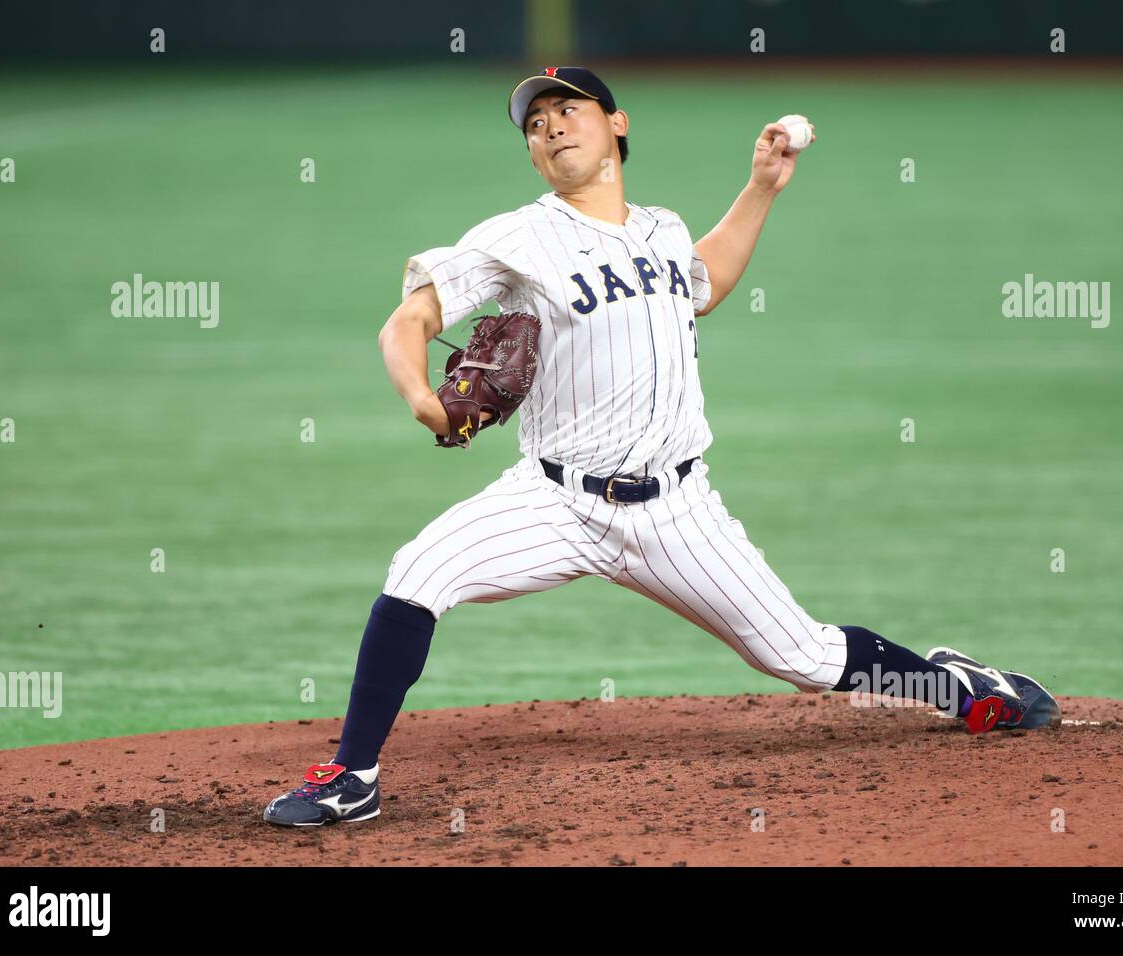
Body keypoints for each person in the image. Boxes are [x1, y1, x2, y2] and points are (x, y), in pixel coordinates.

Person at [263, 66, 1059, 827]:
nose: (549, 130)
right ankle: (352, 777)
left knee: (803, 656)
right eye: (535, 126)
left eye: (567, 111)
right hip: (554, 500)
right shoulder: (516, 239)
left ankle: (958, 686)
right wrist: (424, 401)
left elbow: (703, 279)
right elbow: (407, 322)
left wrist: (761, 188)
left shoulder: (662, 229)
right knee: (418, 571)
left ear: (616, 125)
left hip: (677, 510)